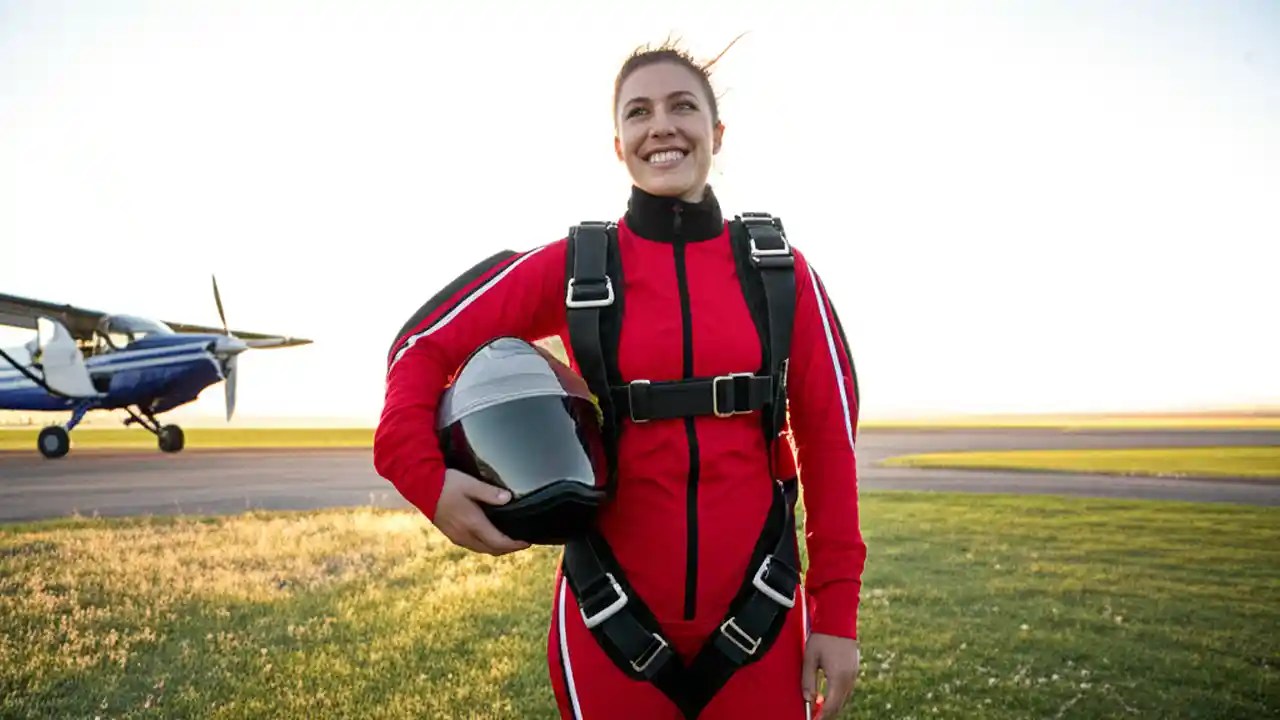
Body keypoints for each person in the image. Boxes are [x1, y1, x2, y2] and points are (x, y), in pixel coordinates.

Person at [374, 39, 866, 720]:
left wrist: (835, 613)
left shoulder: (780, 273)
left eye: (682, 106)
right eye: (638, 112)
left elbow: (830, 445)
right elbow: (421, 348)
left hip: (766, 613)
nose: (660, 125)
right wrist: (423, 477)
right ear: (618, 145)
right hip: (611, 621)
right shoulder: (577, 269)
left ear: (716, 133)